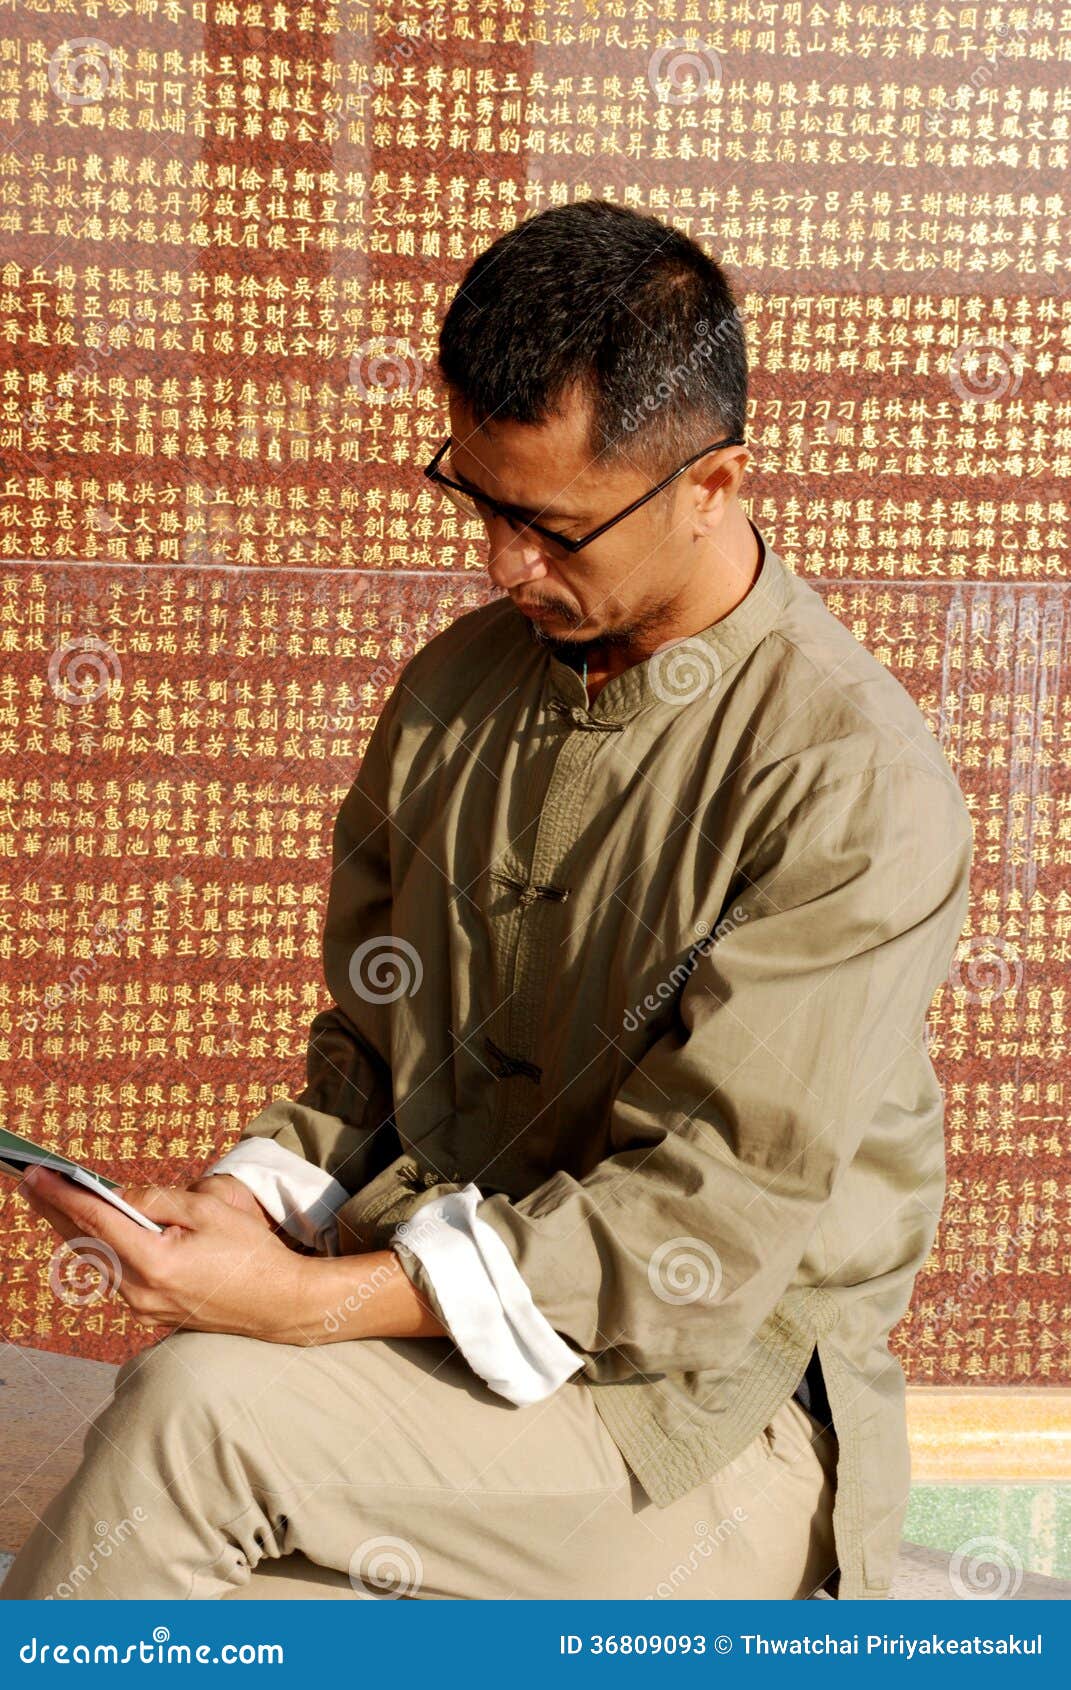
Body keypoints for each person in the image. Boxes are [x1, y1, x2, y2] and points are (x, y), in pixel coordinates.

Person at [3, 199, 972, 1603]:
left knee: (197, 1416)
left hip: (700, 1428)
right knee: (205, 1578)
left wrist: (309, 1304)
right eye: (480, 501)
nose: (504, 563)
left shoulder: (846, 777)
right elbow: (371, 1055)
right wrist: (241, 1208)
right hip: (462, 1378)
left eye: (552, 525)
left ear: (713, 482)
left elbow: (697, 1233)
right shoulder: (458, 689)